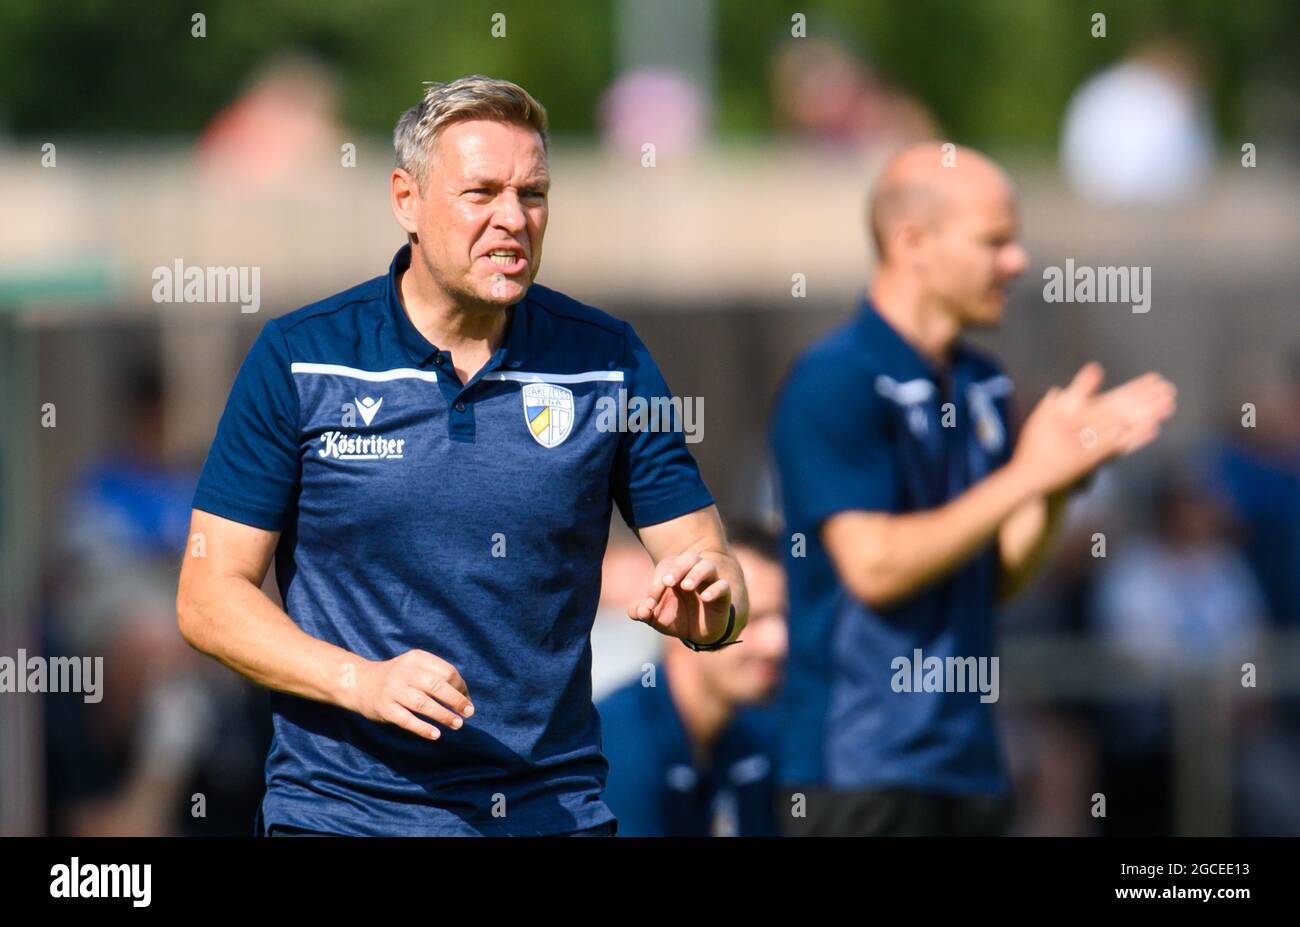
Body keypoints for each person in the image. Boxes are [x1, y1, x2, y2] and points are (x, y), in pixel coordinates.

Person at [176, 75, 749, 836]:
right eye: (481, 192)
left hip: (551, 813)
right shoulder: (301, 359)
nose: (512, 218)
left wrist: (713, 608)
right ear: (406, 199)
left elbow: (713, 566)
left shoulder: (607, 360)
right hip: (343, 815)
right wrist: (360, 681)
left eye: (533, 194)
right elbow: (208, 595)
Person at [768, 143, 1177, 836]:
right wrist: (1027, 474)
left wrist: (1055, 488)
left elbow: (998, 580)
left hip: (971, 760)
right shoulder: (835, 378)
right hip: (860, 766)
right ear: (913, 243)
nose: (1016, 262)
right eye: (995, 241)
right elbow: (874, 565)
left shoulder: (984, 383)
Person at [598, 522, 787, 836]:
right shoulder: (615, 744)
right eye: (750, 620)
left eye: (784, 617)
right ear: (681, 619)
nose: (778, 643)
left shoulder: (756, 735)